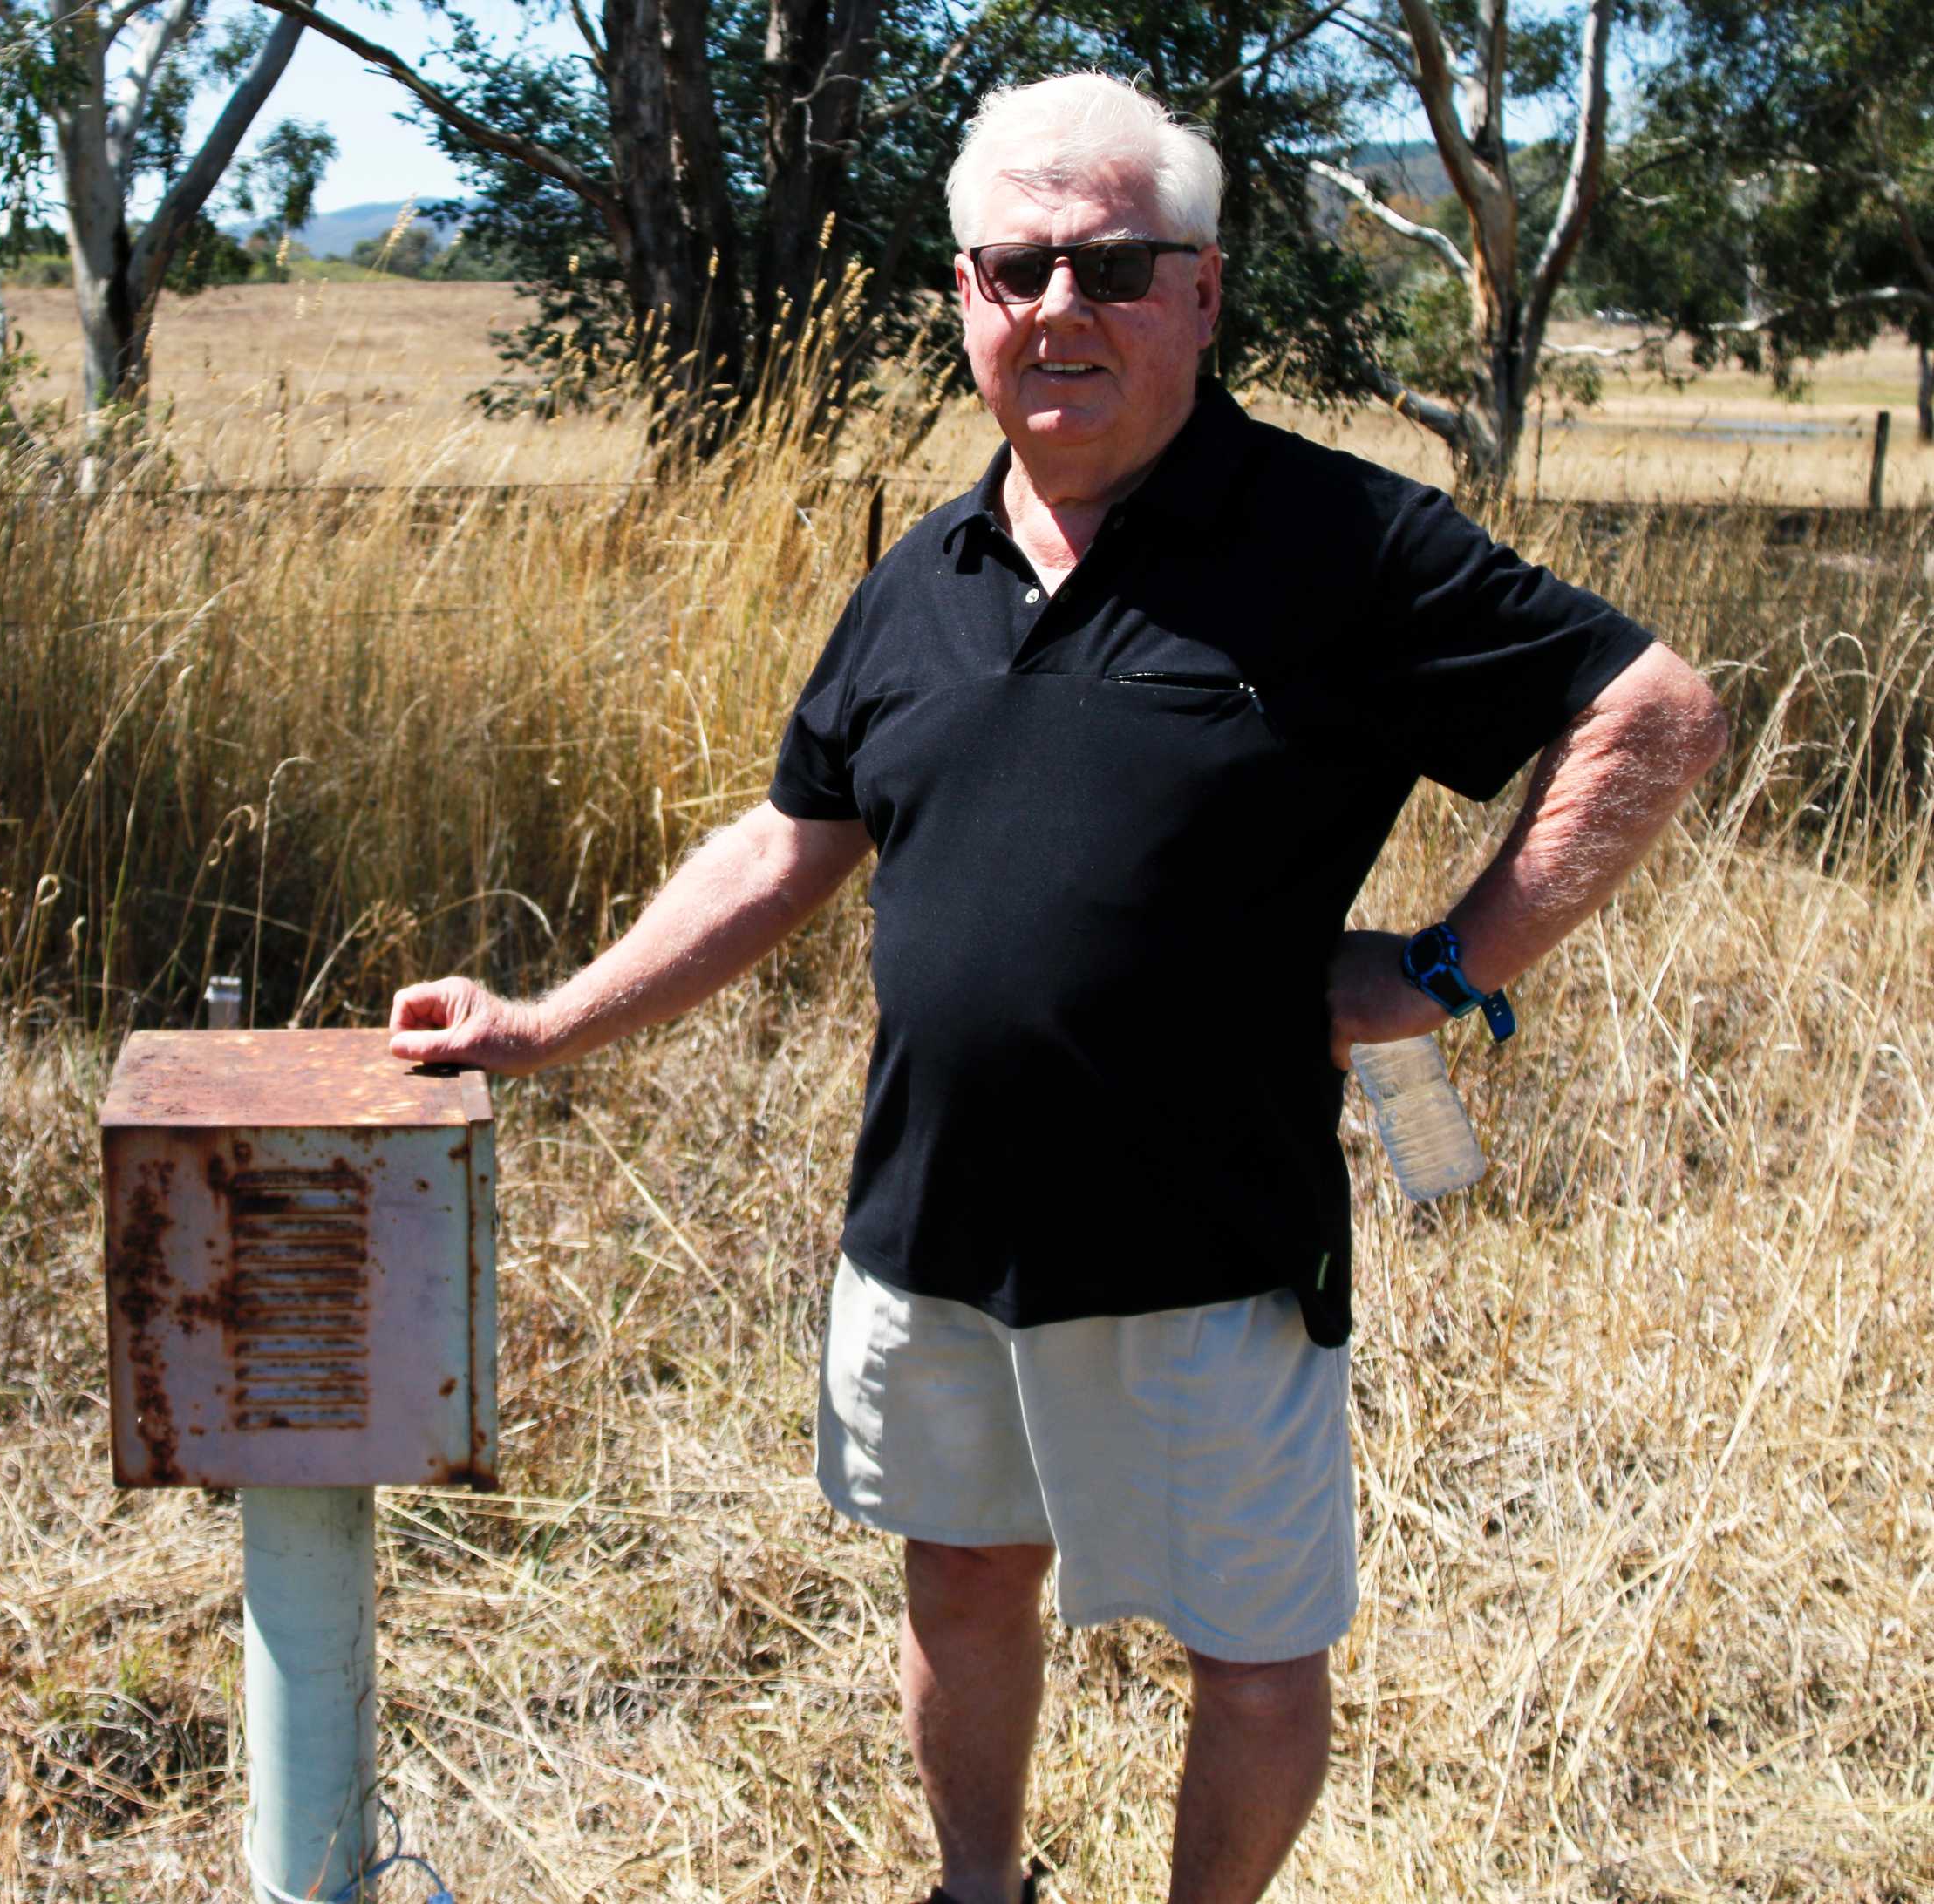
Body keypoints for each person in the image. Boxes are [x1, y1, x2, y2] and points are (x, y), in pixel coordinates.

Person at [386, 70, 1730, 1904]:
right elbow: (787, 842)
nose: (1059, 310)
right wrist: (544, 1022)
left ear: (1202, 290)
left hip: (1208, 1249)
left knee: (1248, 1649)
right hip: (932, 1233)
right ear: (963, 298)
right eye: (1016, 268)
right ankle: (977, 1889)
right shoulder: (920, 576)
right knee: (958, 1570)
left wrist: (1449, 964)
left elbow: (1651, 709)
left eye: (1112, 264)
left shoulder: (1338, 544)